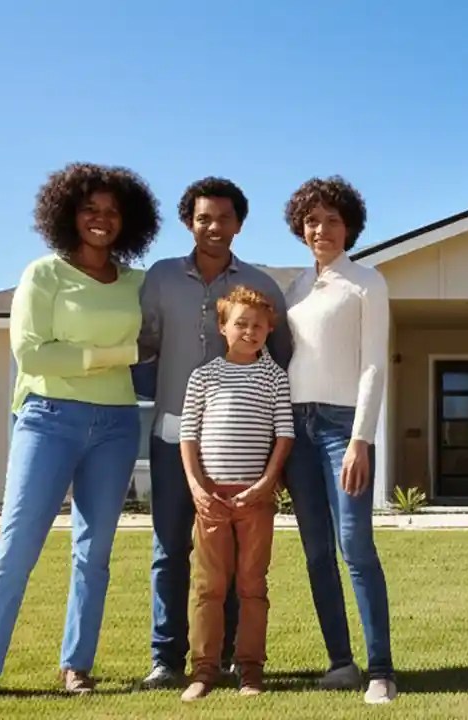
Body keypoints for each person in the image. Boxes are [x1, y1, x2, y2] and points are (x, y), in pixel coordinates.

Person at [0, 162, 161, 714]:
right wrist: (123, 355)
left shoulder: (138, 283)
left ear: (127, 221)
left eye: (112, 212)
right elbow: (33, 355)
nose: (101, 220)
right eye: (90, 209)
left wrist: (87, 360)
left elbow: (169, 334)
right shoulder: (44, 275)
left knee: (95, 553)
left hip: (115, 425)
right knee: (16, 548)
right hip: (47, 419)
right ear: (68, 214)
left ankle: (76, 667)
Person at [135, 177, 292, 690]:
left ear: (239, 224)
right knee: (169, 547)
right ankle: (167, 657)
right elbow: (144, 346)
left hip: (237, 447)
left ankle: (226, 656)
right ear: (189, 222)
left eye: (224, 218)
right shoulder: (159, 278)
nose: (214, 227)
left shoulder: (260, 285)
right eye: (204, 218)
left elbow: (280, 356)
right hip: (174, 433)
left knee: (231, 554)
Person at [281, 176, 396, 705]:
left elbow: (373, 364)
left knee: (355, 545)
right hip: (295, 428)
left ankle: (381, 671)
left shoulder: (367, 282)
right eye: (311, 221)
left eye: (331, 220)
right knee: (315, 551)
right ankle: (340, 663)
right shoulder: (296, 288)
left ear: (348, 225)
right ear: (300, 229)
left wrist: (360, 439)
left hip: (339, 429)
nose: (320, 229)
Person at [177, 286, 294, 701]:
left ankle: (250, 670)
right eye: (241, 323)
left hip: (255, 500)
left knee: (251, 585)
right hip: (211, 500)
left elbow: (284, 435)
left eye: (258, 325)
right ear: (223, 327)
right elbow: (187, 436)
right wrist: (196, 485)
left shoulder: (275, 377)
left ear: (269, 329)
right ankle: (204, 670)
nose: (250, 331)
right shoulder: (204, 376)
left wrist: (266, 484)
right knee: (208, 586)